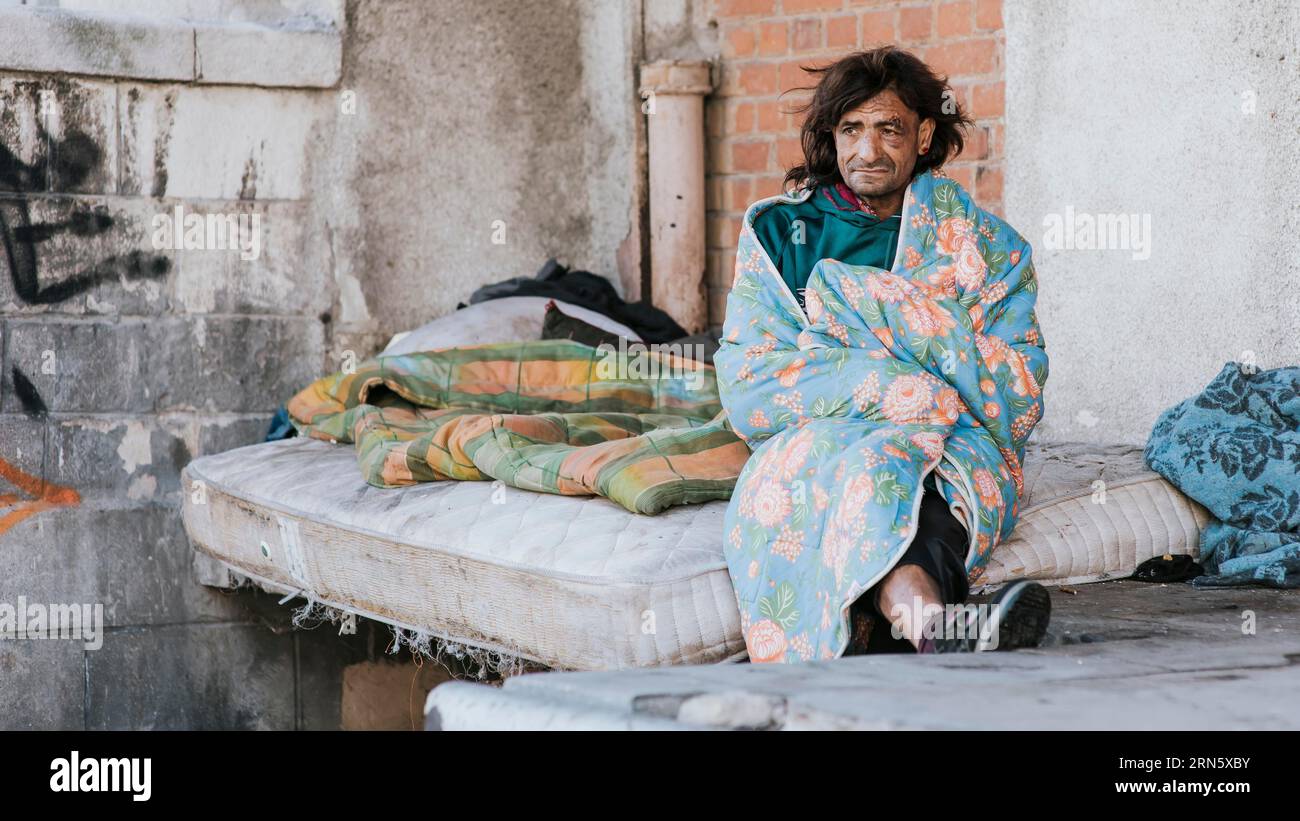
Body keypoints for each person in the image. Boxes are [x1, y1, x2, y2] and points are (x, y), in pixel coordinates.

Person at [744, 47, 1050, 655]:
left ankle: (936, 632)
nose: (867, 151)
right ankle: (944, 631)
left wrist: (921, 376)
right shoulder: (780, 236)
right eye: (851, 129)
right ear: (832, 136)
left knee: (922, 500)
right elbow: (752, 378)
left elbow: (1020, 380)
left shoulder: (982, 245)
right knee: (860, 476)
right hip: (826, 434)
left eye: (889, 129)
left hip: (951, 435)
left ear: (924, 133)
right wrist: (904, 388)